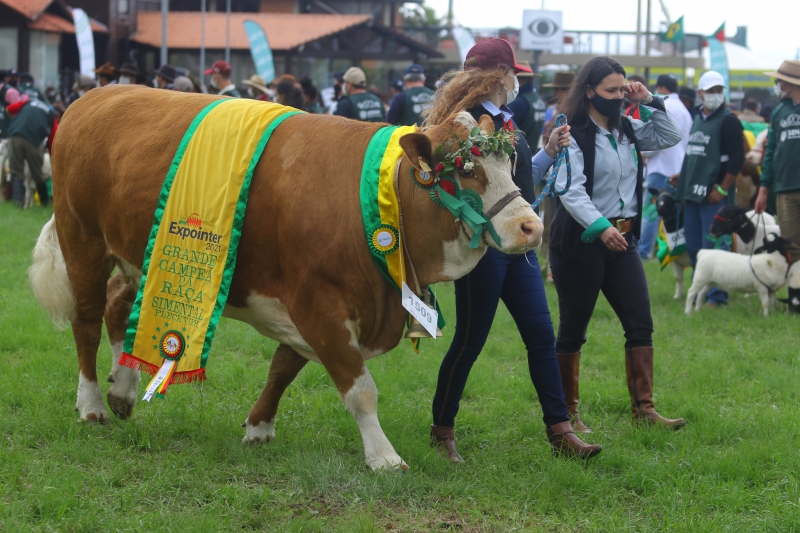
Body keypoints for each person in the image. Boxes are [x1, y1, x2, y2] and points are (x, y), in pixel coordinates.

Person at [426, 38, 602, 462]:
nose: (516, 80)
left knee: (541, 337)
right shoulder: (464, 125)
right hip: (484, 247)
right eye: (513, 73)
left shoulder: (506, 121)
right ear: (499, 76)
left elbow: (515, 181)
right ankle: (442, 431)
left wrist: (547, 153)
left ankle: (560, 431)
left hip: (519, 247)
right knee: (470, 341)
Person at [549, 56, 686, 432]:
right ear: (589, 91)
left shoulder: (628, 128)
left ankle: (645, 411)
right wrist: (599, 226)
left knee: (640, 323)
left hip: (623, 239)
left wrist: (649, 100)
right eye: (610, 91)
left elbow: (670, 137)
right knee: (573, 329)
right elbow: (570, 191)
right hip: (580, 241)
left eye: (621, 90)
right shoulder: (572, 133)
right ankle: (567, 416)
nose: (617, 97)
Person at [672, 71, 744, 308]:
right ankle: (700, 289)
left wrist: (722, 189)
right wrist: (683, 176)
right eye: (710, 91)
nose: (716, 95)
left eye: (719, 90)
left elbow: (737, 158)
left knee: (713, 246)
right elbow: (696, 153)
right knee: (694, 245)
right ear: (700, 93)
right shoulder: (698, 118)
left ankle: (717, 296)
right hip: (693, 192)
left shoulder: (729, 120)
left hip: (714, 195)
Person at [638, 74, 693, 260]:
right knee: (672, 214)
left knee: (650, 214)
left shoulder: (662, 105)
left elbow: (654, 140)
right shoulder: (684, 110)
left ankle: (644, 252)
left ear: (661, 88)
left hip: (660, 168)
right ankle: (675, 250)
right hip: (678, 170)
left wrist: (644, 153)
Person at [755, 60, 800, 260]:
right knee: (791, 246)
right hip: (785, 189)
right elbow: (771, 151)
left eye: (778, 81)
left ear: (789, 84)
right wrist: (763, 191)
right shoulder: (779, 112)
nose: (777, 85)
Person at [5, 95, 57, 207]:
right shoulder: (51, 113)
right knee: (37, 173)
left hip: (16, 135)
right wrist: (52, 155)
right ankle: (44, 202)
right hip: (34, 141)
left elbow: (10, 108)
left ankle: (18, 202)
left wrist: (15, 119)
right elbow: (53, 138)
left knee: (16, 171)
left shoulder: (29, 101)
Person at [507, 60, 546, 149]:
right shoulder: (539, 100)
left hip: (519, 153)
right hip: (533, 151)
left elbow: (507, 132)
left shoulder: (519, 103)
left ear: (518, 81)